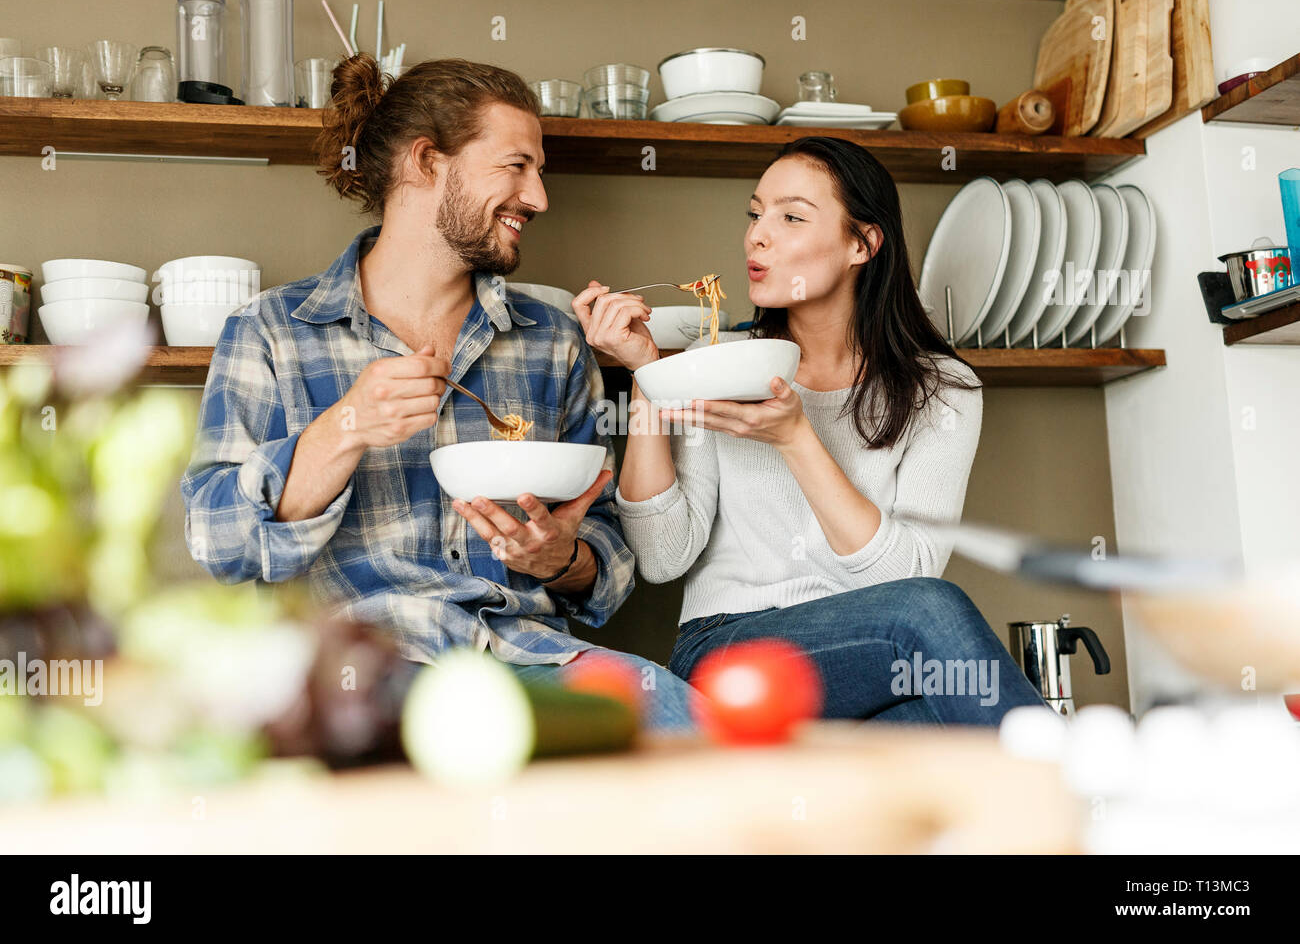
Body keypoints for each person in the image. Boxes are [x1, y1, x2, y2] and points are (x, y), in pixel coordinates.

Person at [180, 55, 702, 730]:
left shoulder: (551, 337)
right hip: (360, 673)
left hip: (533, 661)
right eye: (516, 167)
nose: (539, 197)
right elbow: (217, 541)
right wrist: (345, 428)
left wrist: (561, 557)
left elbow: (604, 548)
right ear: (427, 161)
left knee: (692, 733)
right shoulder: (273, 331)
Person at [574, 136, 1050, 725]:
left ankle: (1073, 797)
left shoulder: (942, 388)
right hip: (726, 652)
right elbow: (662, 556)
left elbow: (903, 578)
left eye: (791, 216)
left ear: (862, 242)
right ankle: (1089, 788)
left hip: (872, 660)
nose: (757, 235)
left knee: (931, 728)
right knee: (931, 617)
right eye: (755, 214)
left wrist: (796, 438)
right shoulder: (719, 359)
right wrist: (648, 374)